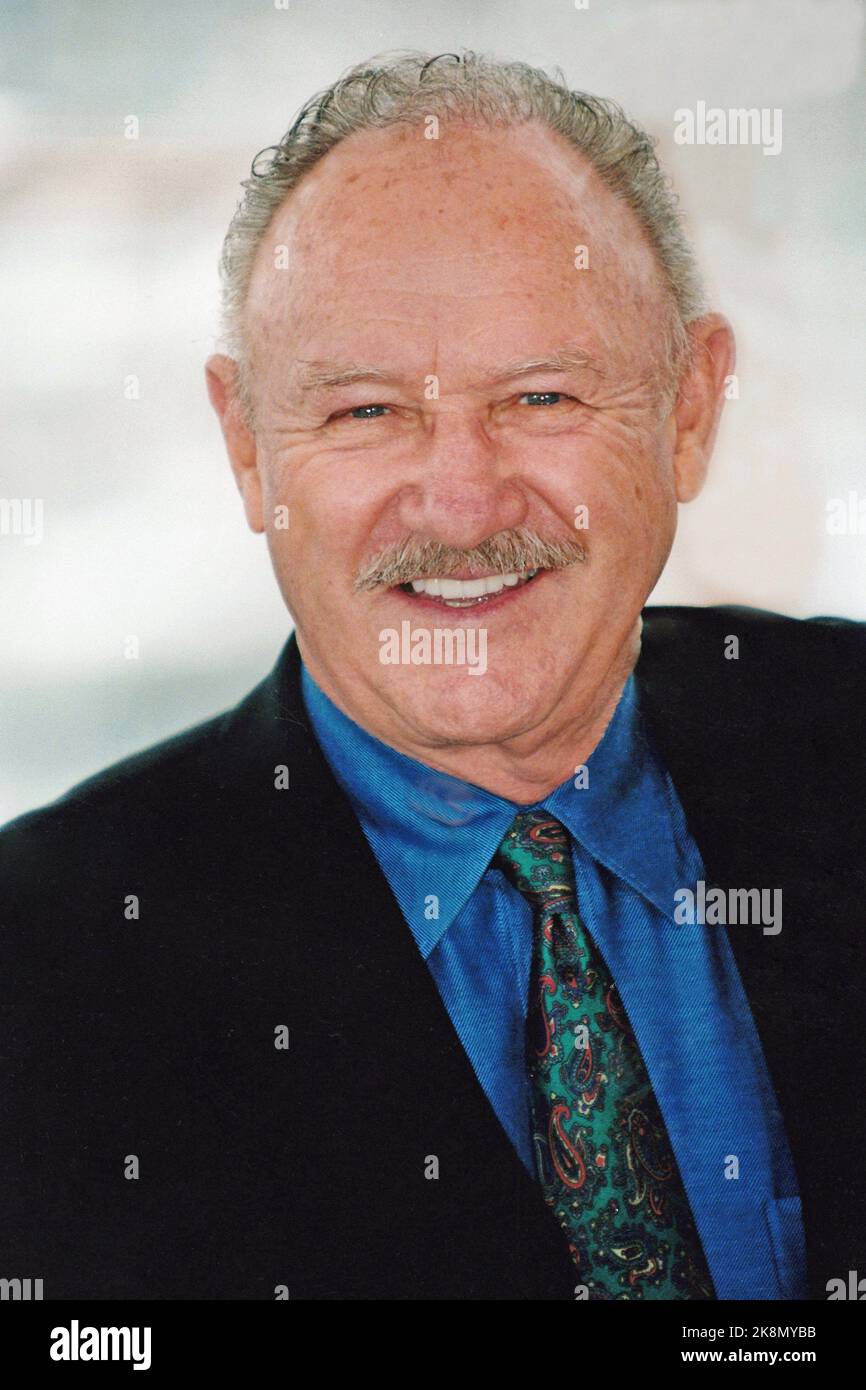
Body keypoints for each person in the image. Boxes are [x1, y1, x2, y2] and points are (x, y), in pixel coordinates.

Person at [1, 50, 863, 1302]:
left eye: (542, 393)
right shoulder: (41, 973)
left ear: (688, 409)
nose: (461, 504)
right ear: (247, 448)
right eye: (365, 413)